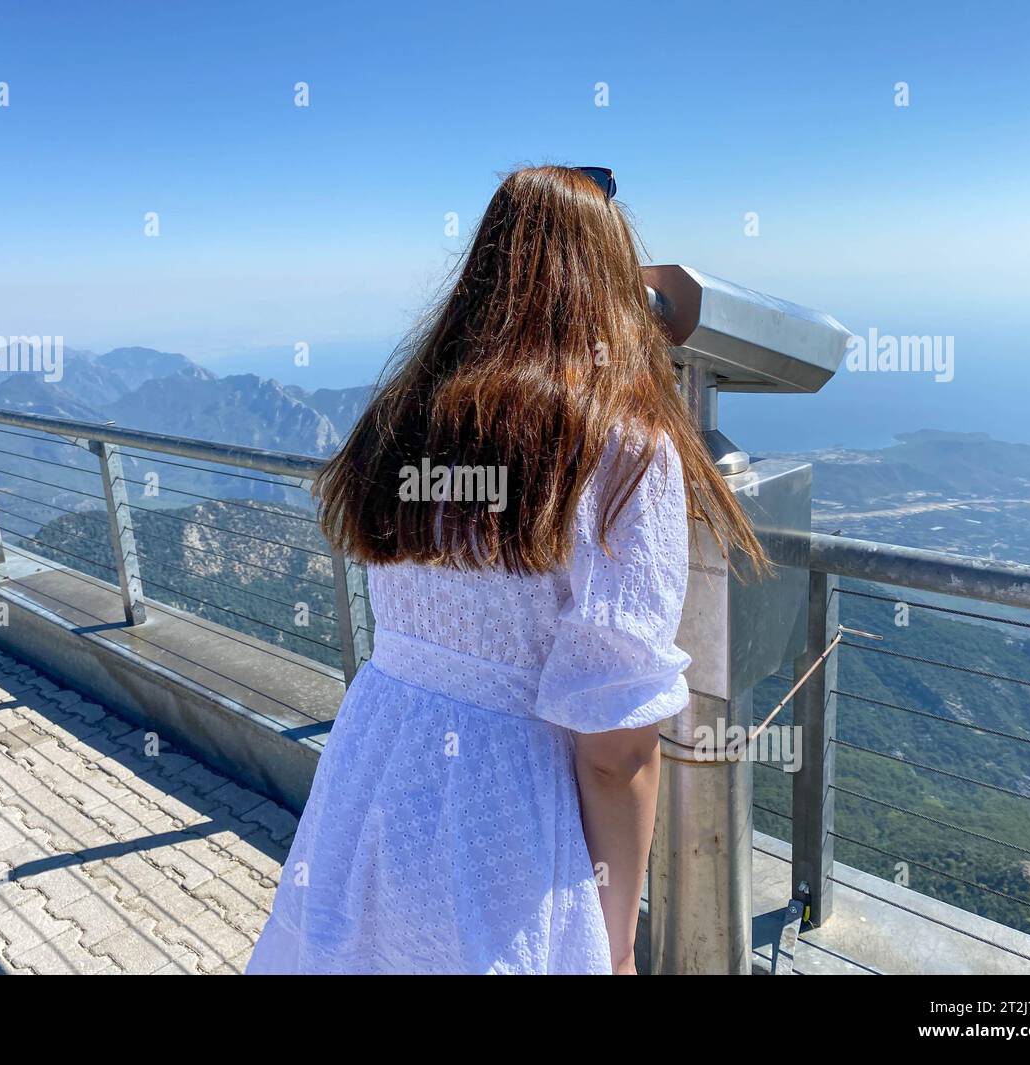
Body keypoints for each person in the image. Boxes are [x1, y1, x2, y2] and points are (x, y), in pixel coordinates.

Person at [247, 164, 765, 975]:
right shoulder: (625, 450)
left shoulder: (406, 414)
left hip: (373, 777)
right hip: (503, 823)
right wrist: (620, 949)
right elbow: (614, 750)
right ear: (607, 284)